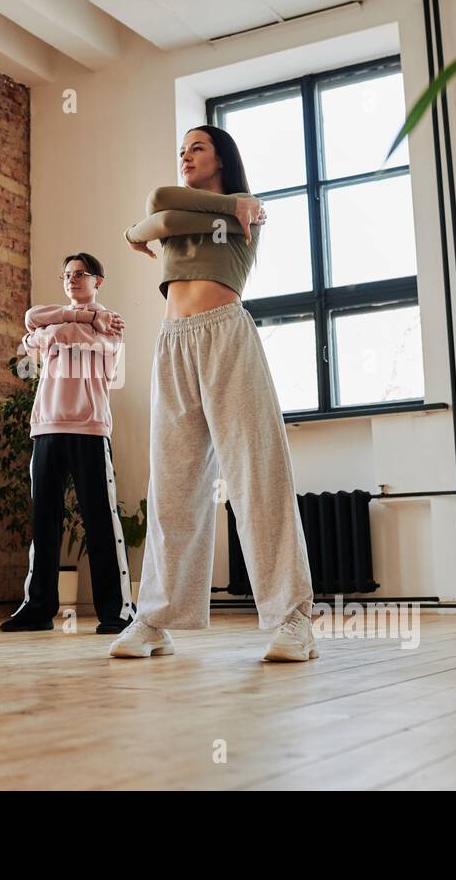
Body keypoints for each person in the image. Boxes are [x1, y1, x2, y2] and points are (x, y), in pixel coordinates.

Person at [108, 125, 317, 661]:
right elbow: (155, 214)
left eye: (197, 148)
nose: (185, 156)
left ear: (223, 157)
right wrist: (152, 224)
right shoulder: (217, 211)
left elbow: (153, 218)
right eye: (180, 150)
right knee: (173, 484)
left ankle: (294, 619)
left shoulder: (250, 211)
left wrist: (146, 228)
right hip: (172, 344)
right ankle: (156, 618)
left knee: (255, 474)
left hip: (225, 333)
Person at [2, 253, 134, 634]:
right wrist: (74, 321)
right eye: (67, 275)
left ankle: (117, 611)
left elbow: (40, 334)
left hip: (89, 427)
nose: (72, 280)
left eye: (80, 275)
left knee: (100, 521)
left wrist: (46, 335)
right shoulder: (74, 317)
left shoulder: (112, 322)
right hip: (45, 426)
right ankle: (38, 608)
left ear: (98, 282)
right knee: (44, 521)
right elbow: (31, 319)